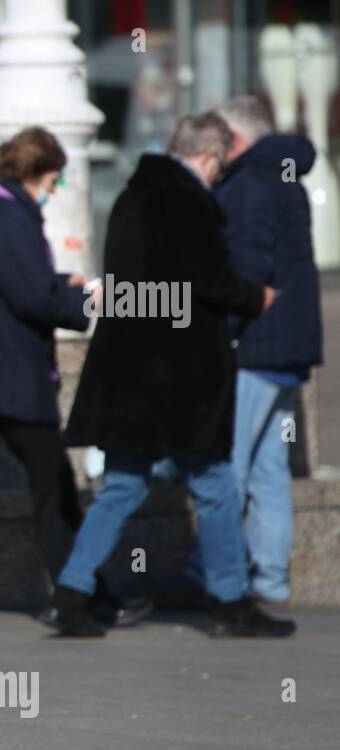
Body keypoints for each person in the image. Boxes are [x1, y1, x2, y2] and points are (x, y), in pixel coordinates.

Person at [51, 112, 294, 638]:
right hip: (179, 377)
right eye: (220, 164)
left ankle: (70, 592)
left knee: (121, 486)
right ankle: (231, 601)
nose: (219, 174)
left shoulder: (132, 194)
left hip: (125, 370)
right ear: (208, 156)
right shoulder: (186, 198)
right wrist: (257, 297)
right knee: (215, 485)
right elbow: (212, 280)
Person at [0, 127, 151, 630]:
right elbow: (30, 297)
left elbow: (6, 286)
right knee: (55, 488)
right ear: (35, 172)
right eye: (55, 179)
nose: (54, 190)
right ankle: (78, 597)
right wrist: (85, 298)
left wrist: (61, 284)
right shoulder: (10, 216)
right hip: (11, 383)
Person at [191, 95, 322, 605]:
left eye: (218, 138)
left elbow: (243, 269)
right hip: (288, 346)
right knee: (269, 468)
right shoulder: (285, 176)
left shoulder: (248, 182)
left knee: (231, 463)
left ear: (237, 139)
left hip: (255, 345)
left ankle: (217, 575)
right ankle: (270, 578)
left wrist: (218, 326)